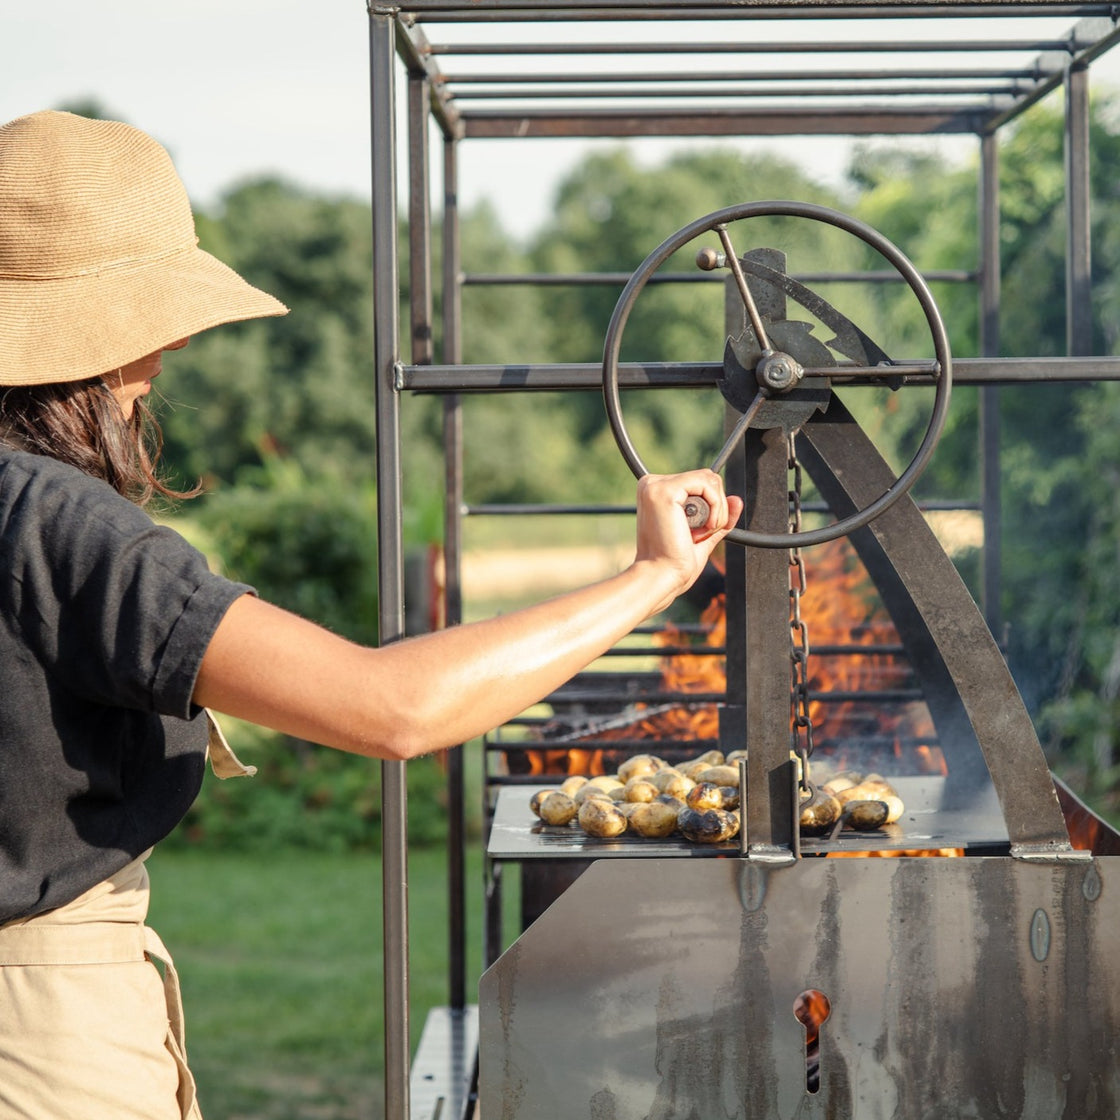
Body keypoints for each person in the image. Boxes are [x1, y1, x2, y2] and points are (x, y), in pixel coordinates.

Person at [0, 109, 742, 1120]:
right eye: (154, 337)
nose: (161, 365)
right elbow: (392, 707)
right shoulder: (57, 524)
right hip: (39, 1032)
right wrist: (651, 577)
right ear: (112, 340)